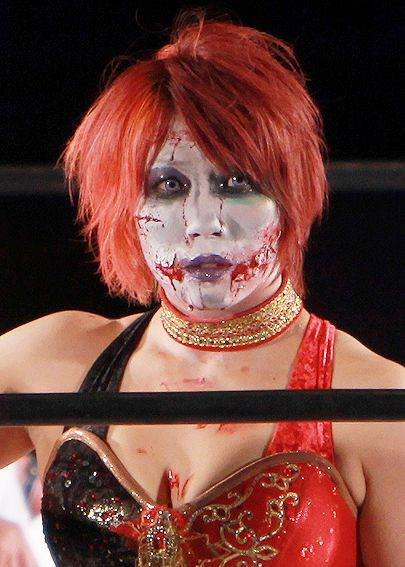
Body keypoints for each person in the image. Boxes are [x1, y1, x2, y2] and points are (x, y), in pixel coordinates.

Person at [0, 10, 404, 566]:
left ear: (289, 196)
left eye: (236, 182)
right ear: (125, 203)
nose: (202, 221)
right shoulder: (52, 361)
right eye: (168, 184)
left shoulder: (377, 402)